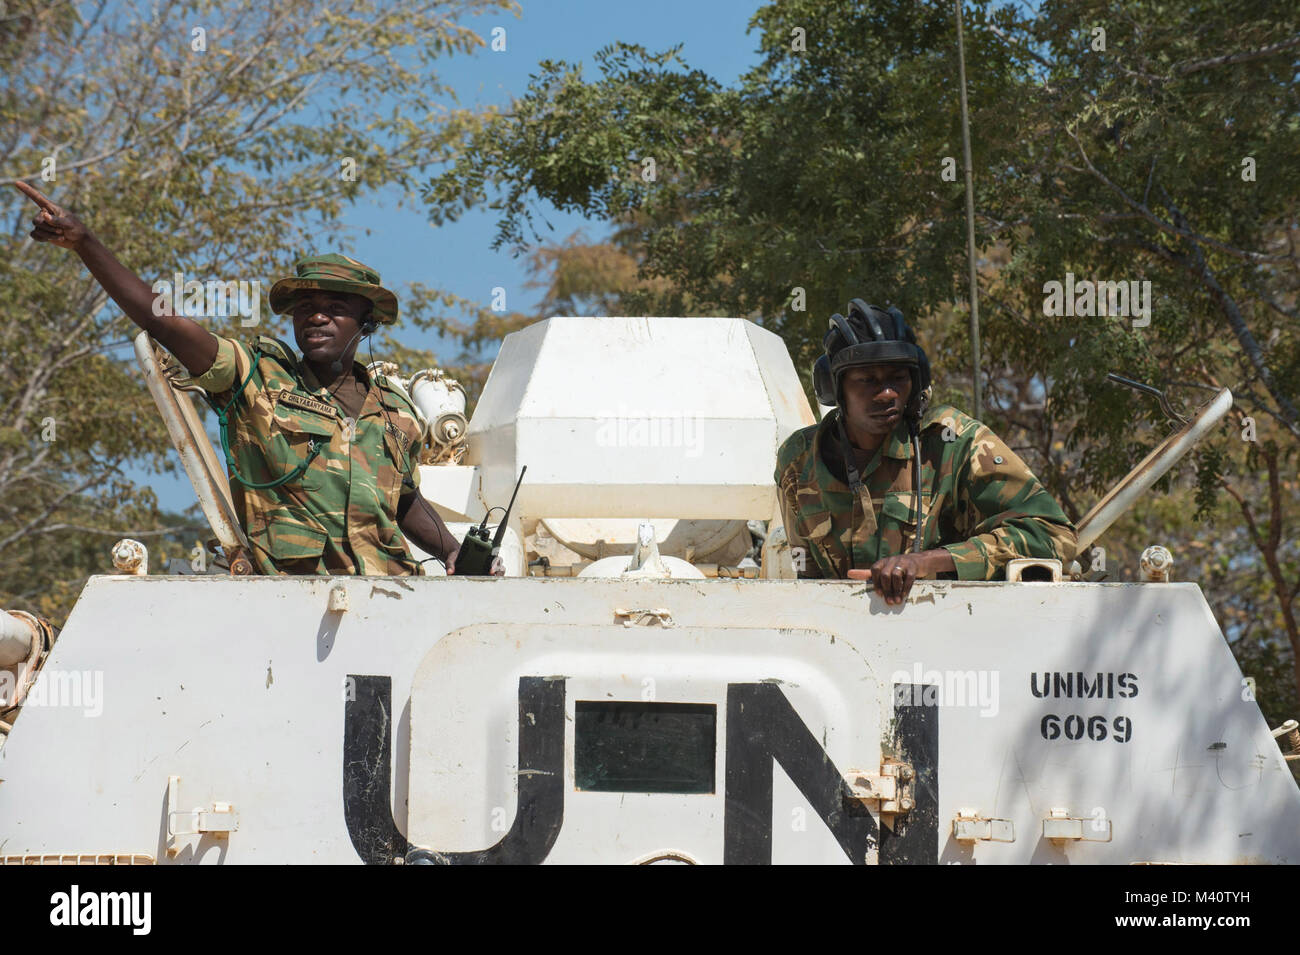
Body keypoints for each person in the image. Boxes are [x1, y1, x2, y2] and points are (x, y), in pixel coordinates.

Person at [17, 180, 487, 577]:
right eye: (306, 309)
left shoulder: (395, 409)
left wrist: (451, 550)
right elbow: (165, 322)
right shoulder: (253, 375)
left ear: (366, 324)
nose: (317, 319)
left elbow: (404, 500)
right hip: (290, 601)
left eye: (335, 309)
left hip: (392, 597)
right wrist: (85, 244)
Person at [775, 298, 1076, 604]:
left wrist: (930, 561)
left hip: (946, 625)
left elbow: (1053, 534)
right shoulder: (799, 461)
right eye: (867, 380)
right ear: (834, 388)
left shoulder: (952, 442)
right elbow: (807, 577)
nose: (888, 393)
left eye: (899, 378)